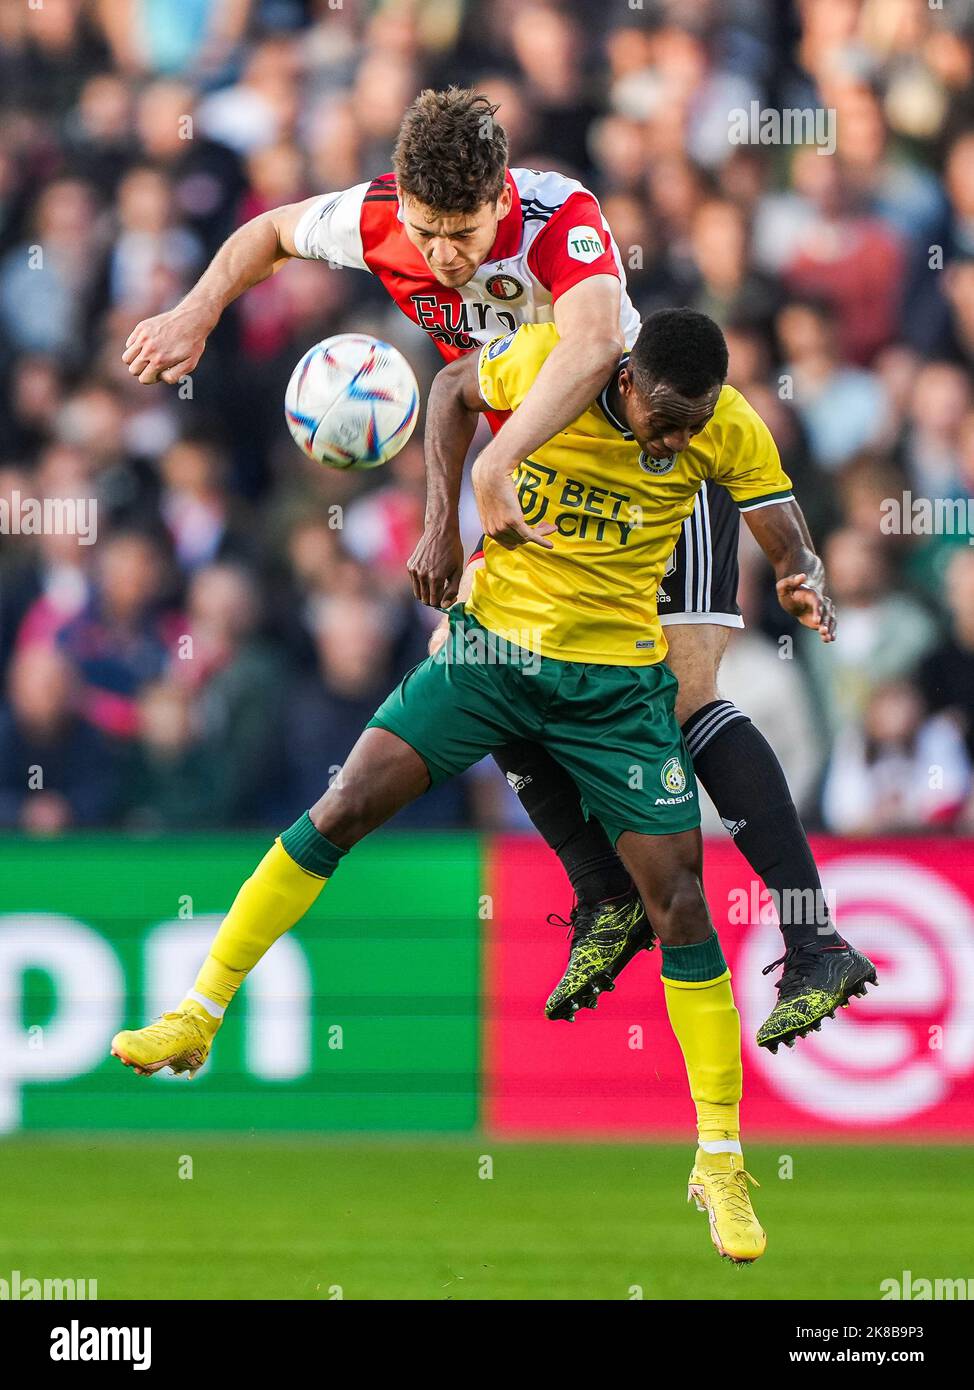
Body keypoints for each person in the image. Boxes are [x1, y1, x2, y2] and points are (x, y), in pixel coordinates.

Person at [112, 311, 875, 1262]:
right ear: (627, 378)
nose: (677, 442)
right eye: (666, 420)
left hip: (614, 688)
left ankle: (718, 1159)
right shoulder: (550, 364)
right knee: (343, 806)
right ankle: (199, 1012)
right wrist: (439, 522)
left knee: (681, 902)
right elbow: (446, 390)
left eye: (695, 424)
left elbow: (776, 514)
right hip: (488, 656)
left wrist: (800, 571)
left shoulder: (723, 424)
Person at [122, 85, 863, 1046]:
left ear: (501, 194)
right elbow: (267, 232)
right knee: (480, 661)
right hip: (539, 491)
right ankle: (604, 892)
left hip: (650, 474)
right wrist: (196, 311)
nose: (443, 256)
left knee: (683, 703)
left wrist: (496, 465)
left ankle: (813, 939)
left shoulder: (561, 217)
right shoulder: (378, 218)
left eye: (463, 232)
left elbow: (598, 339)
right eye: (426, 233)